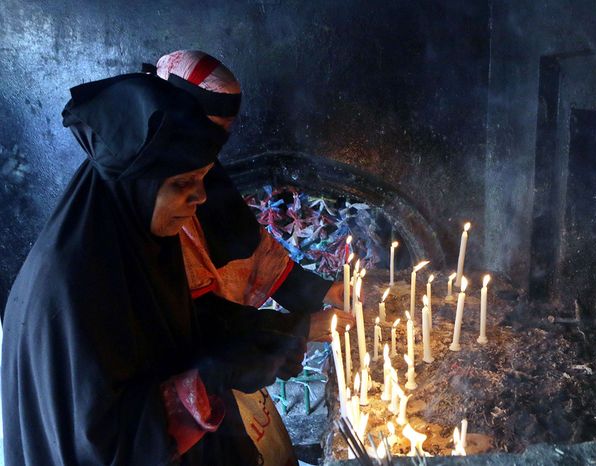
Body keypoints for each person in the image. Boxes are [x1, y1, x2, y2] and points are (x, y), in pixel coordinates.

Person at [1, 72, 304, 464]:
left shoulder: (137, 243)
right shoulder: (77, 289)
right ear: (136, 187)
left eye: (204, 178)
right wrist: (211, 376)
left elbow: (168, 336)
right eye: (183, 183)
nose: (200, 196)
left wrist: (253, 334)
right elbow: (104, 446)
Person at [148, 50, 353, 465]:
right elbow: (200, 319)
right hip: (186, 388)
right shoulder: (156, 199)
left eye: (224, 133)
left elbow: (255, 251)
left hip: (224, 362)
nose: (201, 189)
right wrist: (299, 328)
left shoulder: (205, 179)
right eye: (209, 132)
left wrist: (327, 289)